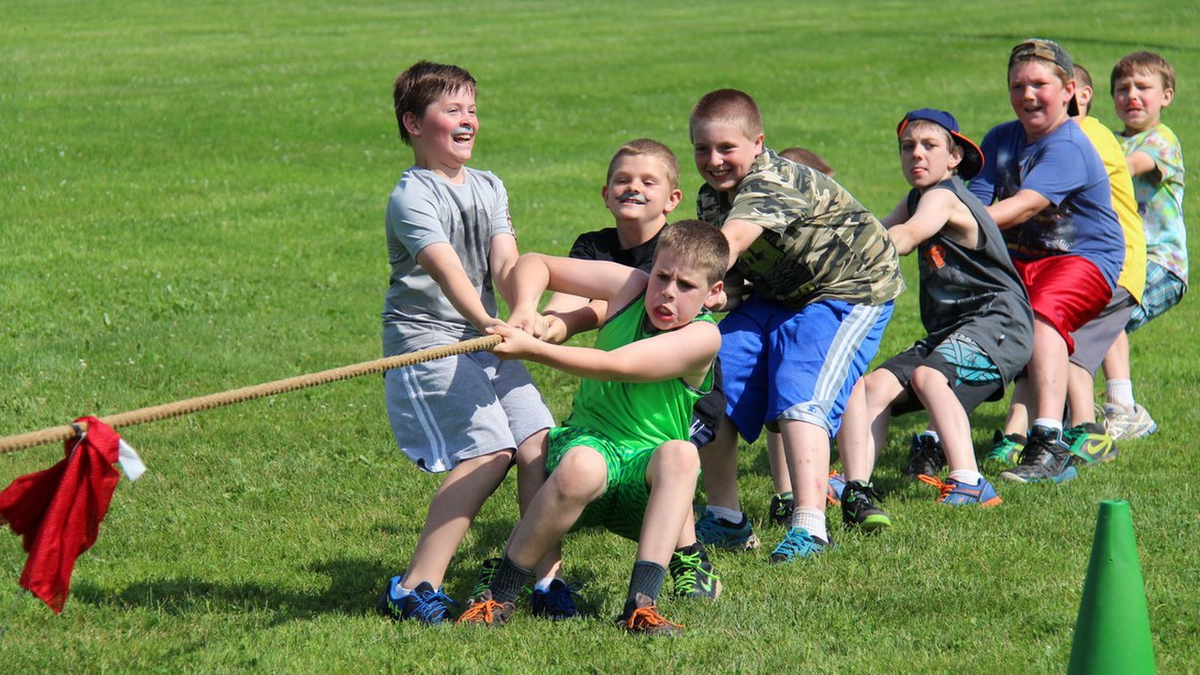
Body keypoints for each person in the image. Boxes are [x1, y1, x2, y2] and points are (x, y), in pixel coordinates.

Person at [455, 220, 727, 635]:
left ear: (714, 293)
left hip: (645, 475)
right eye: (662, 276)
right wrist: (527, 308)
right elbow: (535, 263)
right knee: (583, 464)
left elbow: (620, 365)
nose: (668, 292)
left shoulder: (704, 338)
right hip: (589, 447)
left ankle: (641, 606)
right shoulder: (631, 287)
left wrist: (535, 349)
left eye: (686, 286)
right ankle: (498, 594)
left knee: (682, 453)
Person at [374, 61, 564, 624]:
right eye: (452, 110)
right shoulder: (412, 197)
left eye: (473, 110)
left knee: (537, 445)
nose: (468, 121)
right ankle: (413, 587)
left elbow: (505, 260)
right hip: (426, 342)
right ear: (413, 122)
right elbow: (448, 271)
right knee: (488, 452)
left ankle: (543, 581)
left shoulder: (489, 185)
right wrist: (489, 321)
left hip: (484, 334)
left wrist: (523, 309)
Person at [689, 89, 904, 562]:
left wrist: (686, 280)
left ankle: (811, 524)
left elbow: (735, 239)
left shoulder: (770, 179)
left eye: (727, 147)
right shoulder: (712, 198)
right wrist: (725, 291)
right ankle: (724, 518)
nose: (714, 160)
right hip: (782, 294)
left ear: (758, 143)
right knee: (711, 366)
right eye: (702, 149)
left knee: (798, 382)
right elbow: (737, 271)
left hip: (852, 288)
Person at [533, 138, 724, 599]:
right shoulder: (597, 248)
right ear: (605, 191)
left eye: (647, 182)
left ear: (671, 200)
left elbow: (619, 345)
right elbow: (571, 305)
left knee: (672, 455)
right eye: (622, 180)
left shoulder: (677, 252)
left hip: (676, 385)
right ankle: (537, 574)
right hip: (619, 385)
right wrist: (541, 323)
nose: (633, 189)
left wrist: (539, 345)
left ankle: (687, 556)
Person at [837, 109, 1032, 518]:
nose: (916, 155)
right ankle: (855, 482)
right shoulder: (915, 199)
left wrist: (863, 253)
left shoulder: (944, 195)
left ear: (954, 158)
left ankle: (969, 480)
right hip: (953, 330)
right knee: (870, 388)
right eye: (907, 147)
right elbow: (874, 231)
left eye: (929, 146)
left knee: (929, 376)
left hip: (999, 322)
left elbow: (905, 235)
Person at [968, 39, 1125, 484]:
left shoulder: (1070, 145)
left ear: (1070, 89)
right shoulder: (1000, 140)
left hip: (1085, 259)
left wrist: (947, 227)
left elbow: (1019, 207)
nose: (1028, 95)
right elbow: (974, 201)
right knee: (970, 317)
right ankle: (939, 437)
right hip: (1022, 261)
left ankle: (1048, 439)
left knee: (1042, 319)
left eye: (1040, 84)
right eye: (1018, 85)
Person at [1098, 50, 1186, 439]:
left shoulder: (1160, 139)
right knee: (1087, 323)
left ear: (1166, 95)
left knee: (1104, 314)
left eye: (1142, 87)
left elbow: (1131, 167)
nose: (1131, 95)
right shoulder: (1111, 141)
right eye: (1122, 88)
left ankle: (1125, 410)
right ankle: (1078, 415)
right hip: (1123, 260)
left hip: (1160, 261)